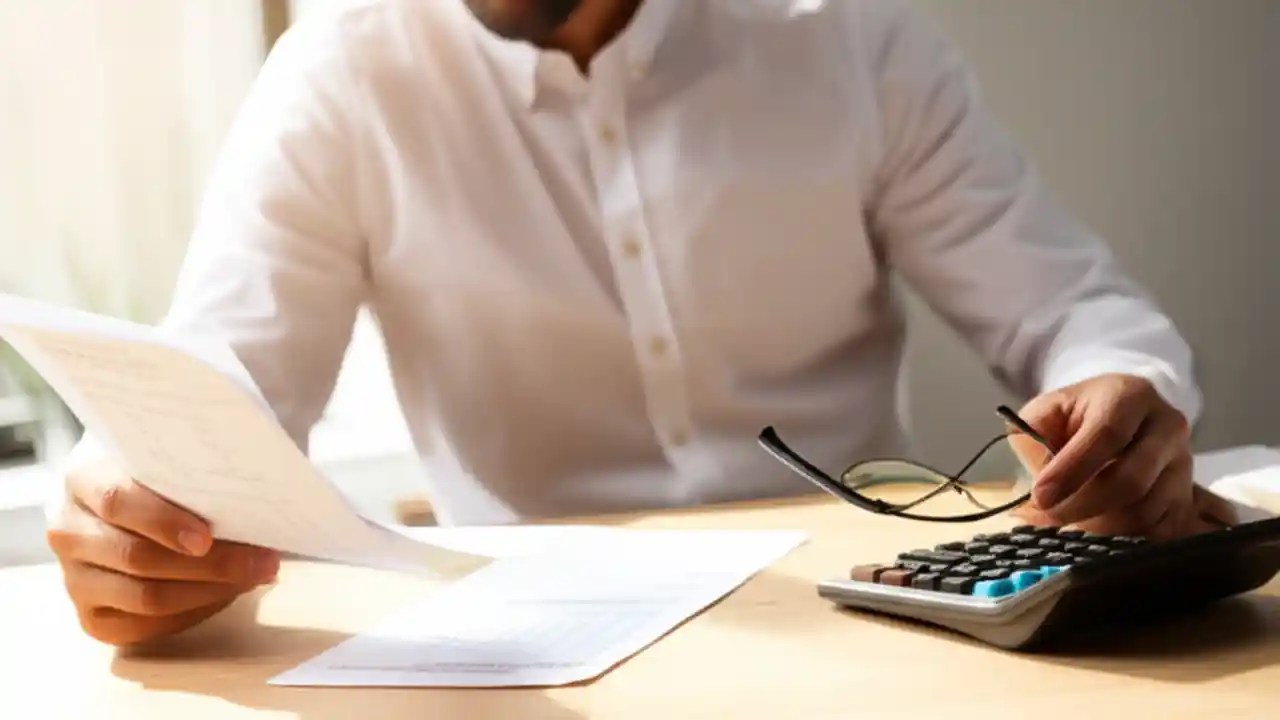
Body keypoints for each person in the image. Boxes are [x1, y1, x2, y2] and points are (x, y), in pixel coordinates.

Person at [45, 0, 1238, 646]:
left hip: (873, 626)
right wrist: (130, 496)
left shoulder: (849, 39)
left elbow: (1070, 310)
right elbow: (216, 384)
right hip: (531, 652)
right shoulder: (335, 79)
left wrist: (1120, 386)